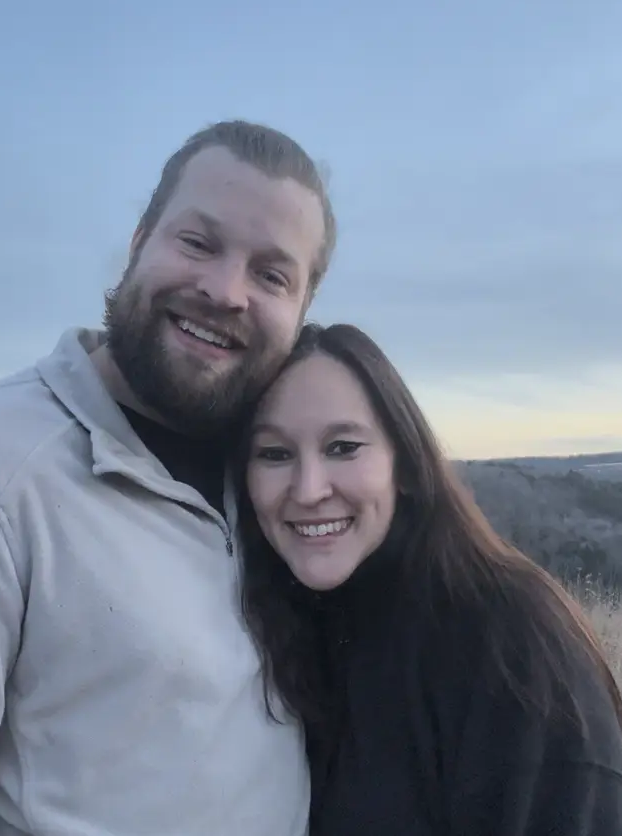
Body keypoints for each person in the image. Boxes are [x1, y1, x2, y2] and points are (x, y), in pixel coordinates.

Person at [0, 120, 335, 836]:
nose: (225, 291)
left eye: (271, 274)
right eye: (198, 243)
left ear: (301, 313)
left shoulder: (287, 490)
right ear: (140, 241)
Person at [240, 322, 622, 836]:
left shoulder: (507, 642)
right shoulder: (272, 625)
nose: (308, 490)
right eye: (274, 454)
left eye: (343, 447)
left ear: (403, 462)